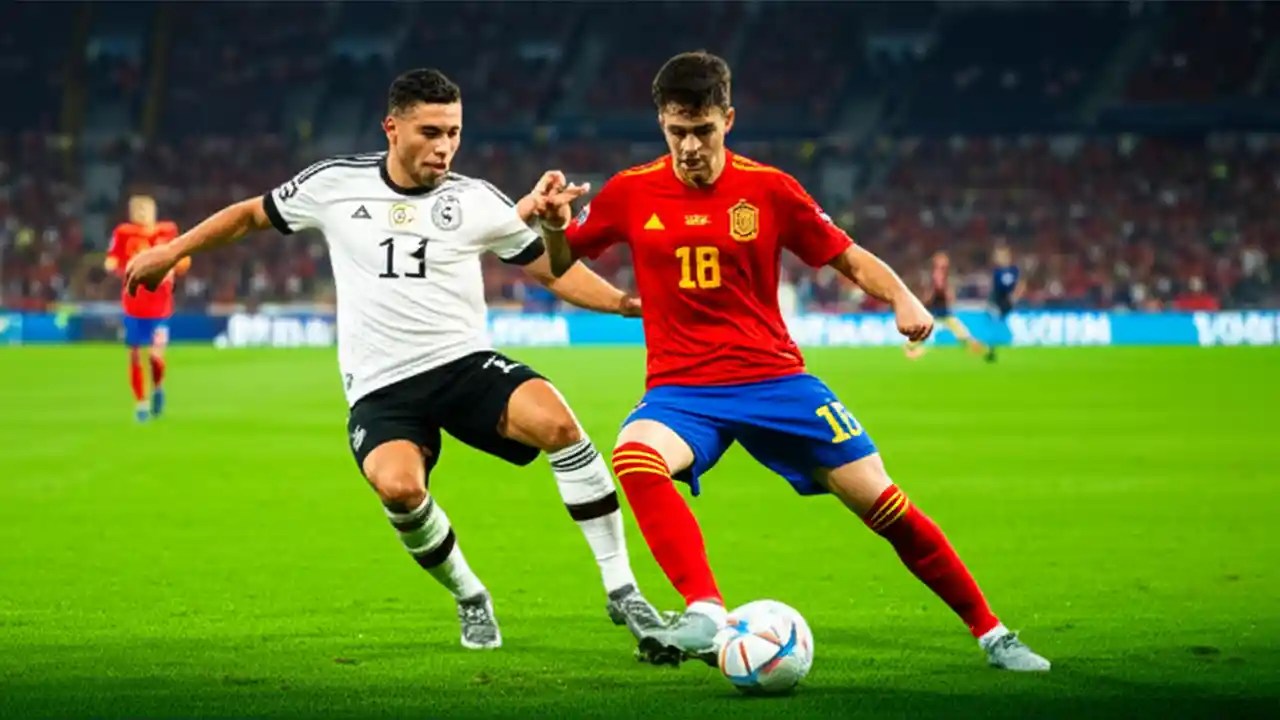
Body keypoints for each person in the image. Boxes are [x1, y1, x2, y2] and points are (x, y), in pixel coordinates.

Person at [533, 51, 1050, 672]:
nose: (691, 147)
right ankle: (703, 610)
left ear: (729, 118)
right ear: (661, 124)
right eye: (677, 132)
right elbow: (558, 265)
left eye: (703, 131)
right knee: (635, 455)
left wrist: (903, 295)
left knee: (883, 504)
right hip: (682, 388)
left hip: (776, 380)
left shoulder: (770, 189)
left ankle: (992, 632)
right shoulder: (630, 191)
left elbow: (849, 257)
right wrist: (560, 230)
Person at [124, 68, 663, 650]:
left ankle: (623, 590)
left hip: (462, 363)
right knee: (399, 488)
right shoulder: (334, 184)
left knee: (560, 422)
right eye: (430, 131)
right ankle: (470, 595)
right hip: (382, 384)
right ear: (392, 128)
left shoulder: (477, 199)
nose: (445, 146)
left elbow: (547, 268)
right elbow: (252, 215)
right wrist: (171, 250)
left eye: (454, 132)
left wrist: (625, 304)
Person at [104, 195, 188, 421]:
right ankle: (141, 404)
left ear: (153, 210)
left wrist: (177, 266)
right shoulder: (123, 233)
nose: (141, 212)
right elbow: (111, 259)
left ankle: (158, 388)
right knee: (134, 356)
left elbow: (183, 259)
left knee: (155, 355)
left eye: (145, 208)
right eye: (137, 208)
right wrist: (114, 266)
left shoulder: (167, 231)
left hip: (160, 307)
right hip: (133, 305)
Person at [905, 251, 987, 359]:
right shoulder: (937, 275)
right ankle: (909, 348)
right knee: (955, 329)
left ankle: (972, 345)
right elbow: (937, 290)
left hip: (940, 310)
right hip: (937, 310)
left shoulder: (940, 275)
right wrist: (945, 295)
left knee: (956, 329)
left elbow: (934, 292)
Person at [986, 245, 1022, 362]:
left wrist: (1015, 297)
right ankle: (992, 349)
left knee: (1005, 324)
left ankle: (1004, 345)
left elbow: (1019, 285)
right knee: (995, 325)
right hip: (996, 302)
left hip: (1008, 303)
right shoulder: (997, 272)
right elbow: (994, 288)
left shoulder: (1014, 270)